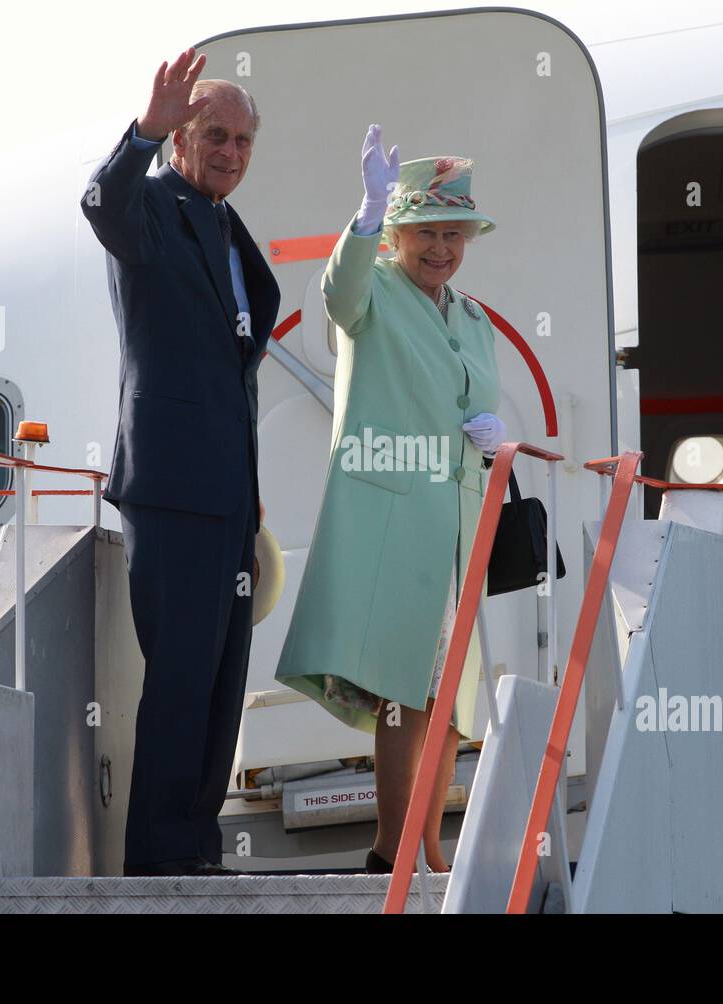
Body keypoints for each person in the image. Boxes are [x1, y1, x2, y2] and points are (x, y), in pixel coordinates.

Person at [275, 125, 506, 874]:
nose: (441, 248)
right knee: (404, 691)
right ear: (399, 234)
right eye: (426, 232)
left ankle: (424, 851)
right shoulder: (373, 288)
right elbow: (338, 291)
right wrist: (368, 209)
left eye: (454, 234)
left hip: (459, 522)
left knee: (449, 699)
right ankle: (394, 851)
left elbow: (467, 402)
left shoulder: (471, 317)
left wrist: (494, 439)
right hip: (395, 518)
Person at [80, 48, 280, 876]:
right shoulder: (154, 206)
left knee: (221, 681)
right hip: (172, 489)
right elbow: (102, 203)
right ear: (181, 140)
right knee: (180, 679)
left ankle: (196, 848)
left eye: (242, 140)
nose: (230, 152)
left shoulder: (229, 230)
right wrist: (141, 135)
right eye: (214, 135)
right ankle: (161, 861)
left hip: (228, 494)